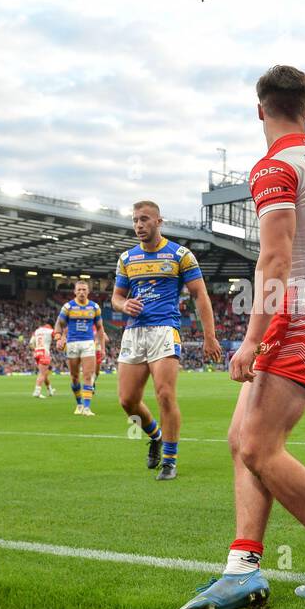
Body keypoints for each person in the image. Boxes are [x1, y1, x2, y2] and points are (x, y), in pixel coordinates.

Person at [176, 65, 305, 609]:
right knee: (242, 438)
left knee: (261, 447)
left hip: (301, 315)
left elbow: (278, 259)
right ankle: (243, 566)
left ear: (260, 110)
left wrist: (252, 338)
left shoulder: (273, 168)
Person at [113, 202, 221, 479]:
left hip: (164, 329)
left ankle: (170, 461)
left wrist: (209, 336)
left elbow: (200, 295)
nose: (139, 225)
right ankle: (156, 436)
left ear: (159, 221)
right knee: (127, 401)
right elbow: (116, 297)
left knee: (164, 393)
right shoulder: (127, 258)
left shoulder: (180, 255)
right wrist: (124, 306)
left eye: (144, 219)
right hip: (134, 333)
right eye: (135, 220)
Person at [55, 280, 105, 414]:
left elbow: (100, 328)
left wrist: (103, 347)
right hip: (72, 344)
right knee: (74, 376)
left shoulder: (94, 307)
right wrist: (58, 338)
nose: (81, 292)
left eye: (84, 289)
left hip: (88, 343)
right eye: (79, 290)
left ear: (88, 291)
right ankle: (79, 404)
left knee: (88, 375)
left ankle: (87, 407)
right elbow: (59, 324)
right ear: (74, 291)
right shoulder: (68, 307)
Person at [30, 320, 55, 399]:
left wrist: (36, 349)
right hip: (45, 353)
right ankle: (37, 392)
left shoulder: (37, 331)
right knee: (42, 374)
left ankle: (50, 390)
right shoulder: (51, 331)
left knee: (44, 373)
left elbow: (31, 343)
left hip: (37, 352)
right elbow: (58, 338)